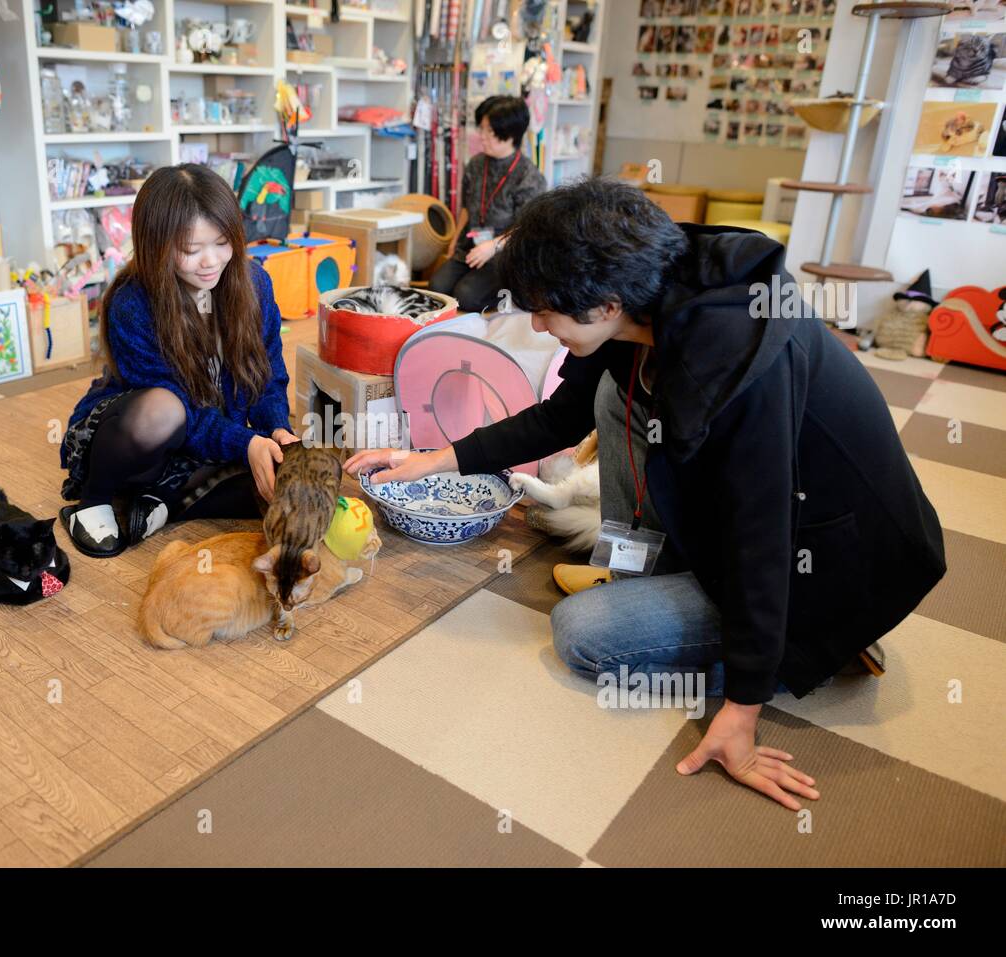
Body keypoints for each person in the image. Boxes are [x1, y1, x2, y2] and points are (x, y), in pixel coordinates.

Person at [347, 177, 946, 810]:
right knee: (611, 394)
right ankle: (657, 572)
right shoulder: (650, 287)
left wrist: (742, 713)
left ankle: (810, 651)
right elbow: (559, 417)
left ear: (605, 304)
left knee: (583, 635)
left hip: (835, 566)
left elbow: (762, 540)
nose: (540, 325)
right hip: (775, 525)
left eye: (545, 311)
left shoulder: (739, 371)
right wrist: (433, 459)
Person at [59, 164, 297, 558]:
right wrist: (245, 442)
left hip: (206, 439)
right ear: (157, 245)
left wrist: (276, 431)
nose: (211, 261)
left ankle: (167, 502)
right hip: (141, 438)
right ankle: (93, 500)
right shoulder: (133, 303)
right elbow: (182, 409)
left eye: (222, 243)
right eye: (190, 250)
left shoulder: (254, 283)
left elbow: (269, 374)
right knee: (164, 410)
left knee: (284, 490)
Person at [428, 96, 546, 312]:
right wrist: (454, 240)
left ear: (510, 134)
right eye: (481, 128)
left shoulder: (529, 177)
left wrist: (493, 246)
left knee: (466, 296)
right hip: (470, 246)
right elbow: (466, 207)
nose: (481, 136)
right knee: (437, 289)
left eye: (489, 131)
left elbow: (526, 230)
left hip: (503, 254)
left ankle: (513, 292)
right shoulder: (476, 164)